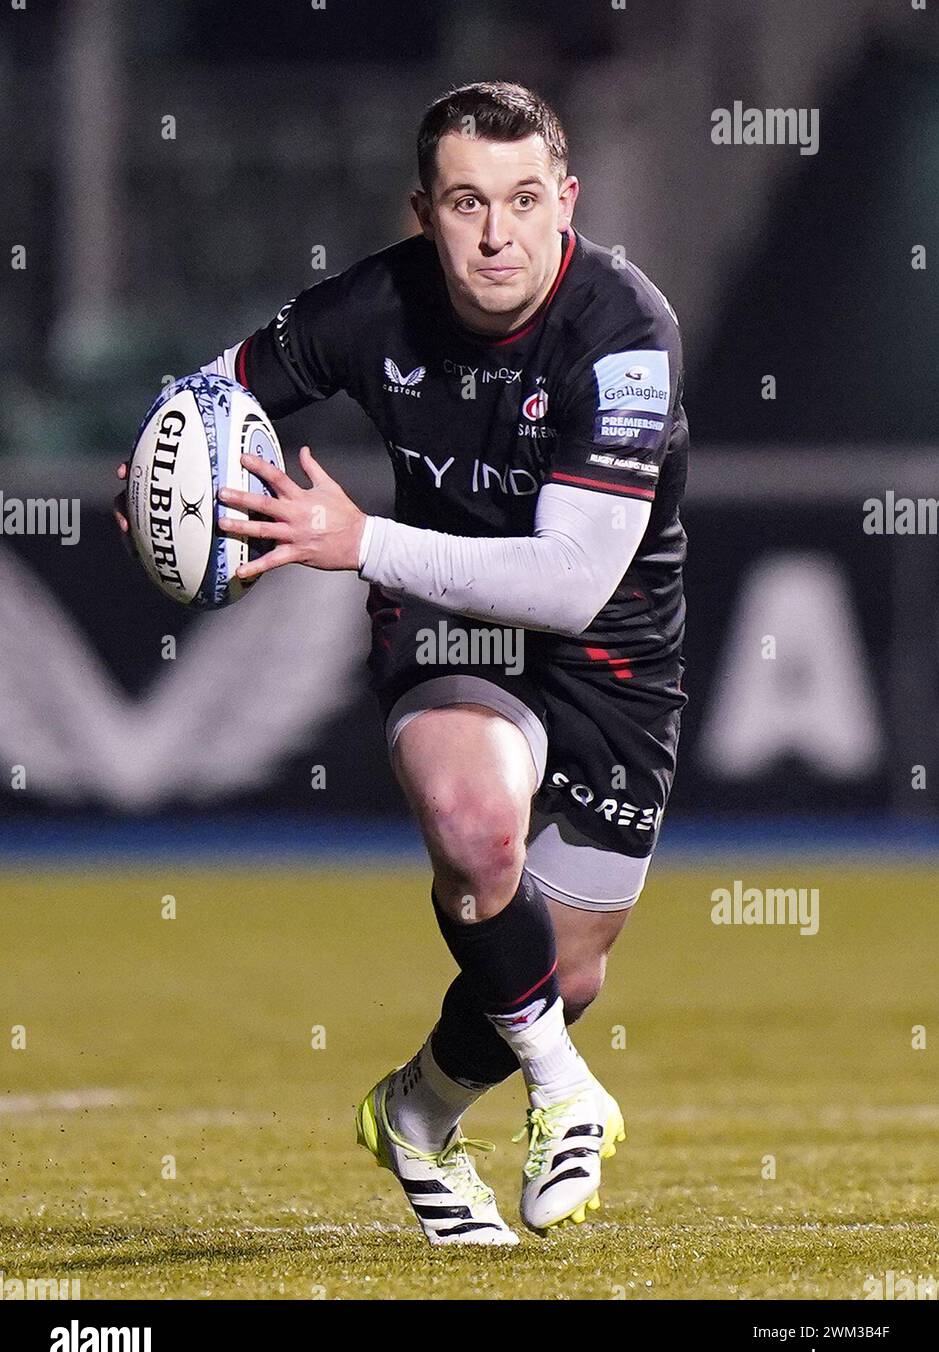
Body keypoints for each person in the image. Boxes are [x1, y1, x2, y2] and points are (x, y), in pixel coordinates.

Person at [115, 80, 689, 1244]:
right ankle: (567, 1092)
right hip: (447, 624)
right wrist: (149, 483)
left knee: (559, 976)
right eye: (467, 203)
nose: (498, 234)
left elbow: (572, 580)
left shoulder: (627, 334)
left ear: (565, 201)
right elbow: (208, 395)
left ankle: (417, 1116)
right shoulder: (367, 305)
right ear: (423, 211)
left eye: (525, 201)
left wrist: (357, 539)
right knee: (478, 830)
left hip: (611, 649)